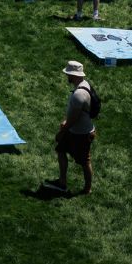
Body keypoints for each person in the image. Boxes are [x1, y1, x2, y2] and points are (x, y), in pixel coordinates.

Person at [48, 62, 99, 196]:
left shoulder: (78, 95)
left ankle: (87, 189)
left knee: (85, 161)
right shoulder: (85, 84)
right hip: (76, 130)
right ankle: (62, 181)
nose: (66, 76)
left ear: (73, 75)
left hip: (80, 133)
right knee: (60, 150)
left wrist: (62, 131)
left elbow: (74, 118)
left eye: (68, 74)